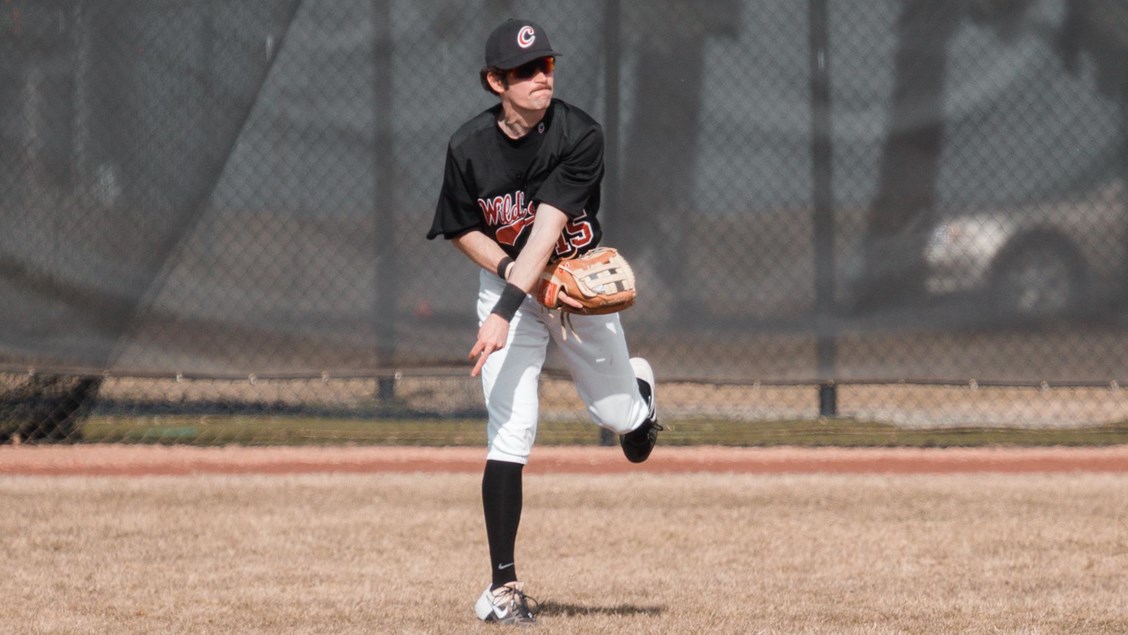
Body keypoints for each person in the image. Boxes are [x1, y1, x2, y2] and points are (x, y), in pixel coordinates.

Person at [426, 18, 663, 626]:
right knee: (511, 430)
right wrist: (506, 284)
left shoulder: (579, 133)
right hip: (511, 282)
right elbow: (461, 229)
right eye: (527, 70)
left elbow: (548, 233)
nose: (541, 77)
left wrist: (506, 308)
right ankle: (501, 589)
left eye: (547, 66)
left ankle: (639, 397)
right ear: (495, 81)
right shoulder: (467, 148)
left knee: (623, 428)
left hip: (573, 283)